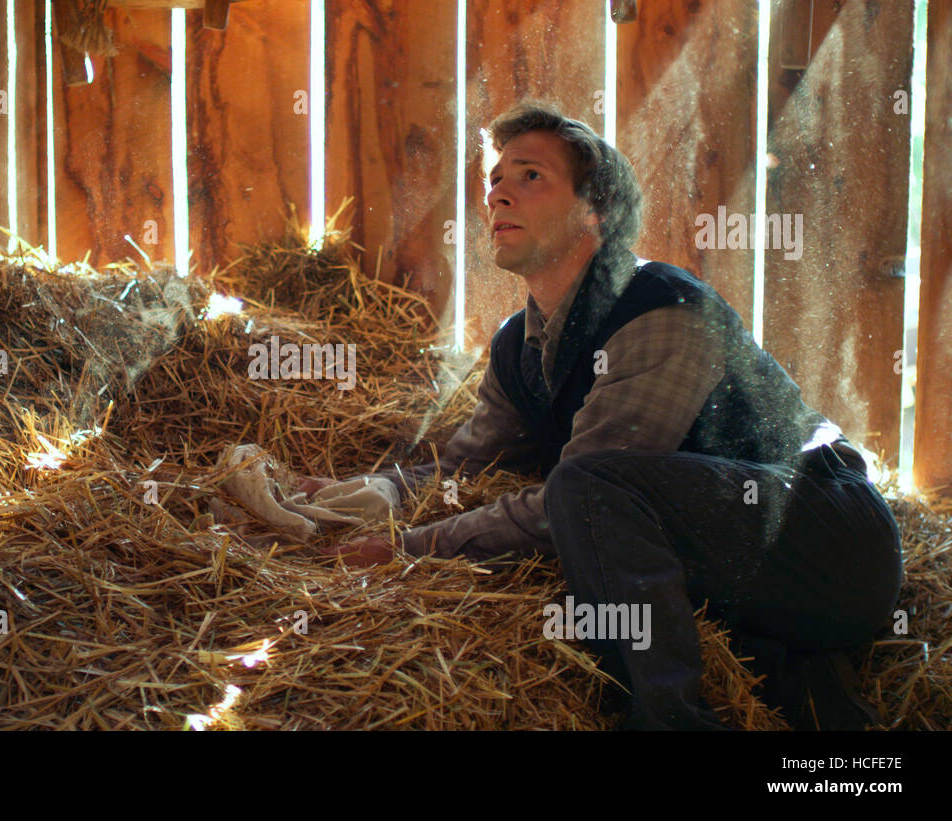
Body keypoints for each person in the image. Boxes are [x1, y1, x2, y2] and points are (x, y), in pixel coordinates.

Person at [304, 101, 904, 731]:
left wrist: (410, 549)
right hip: (736, 563)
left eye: (530, 175)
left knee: (588, 488)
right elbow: (465, 468)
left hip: (831, 538)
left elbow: (587, 492)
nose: (498, 192)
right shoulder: (519, 345)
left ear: (598, 211)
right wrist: (379, 493)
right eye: (495, 178)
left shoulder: (662, 311)